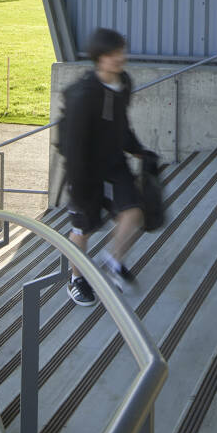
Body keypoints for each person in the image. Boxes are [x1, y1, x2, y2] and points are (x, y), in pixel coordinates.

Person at [59, 27, 160, 306]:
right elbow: (73, 146)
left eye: (121, 51)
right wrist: (79, 188)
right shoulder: (84, 96)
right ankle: (76, 279)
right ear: (99, 58)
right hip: (85, 171)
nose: (120, 58)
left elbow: (120, 124)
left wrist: (138, 150)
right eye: (114, 54)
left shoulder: (124, 83)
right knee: (83, 229)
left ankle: (113, 262)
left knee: (134, 212)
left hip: (114, 164)